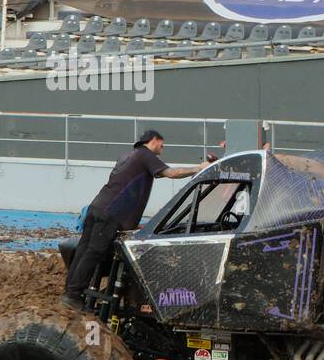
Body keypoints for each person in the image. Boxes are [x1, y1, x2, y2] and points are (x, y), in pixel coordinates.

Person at [62, 130, 212, 308]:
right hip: (111, 213)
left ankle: (69, 292)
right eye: (161, 143)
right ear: (154, 140)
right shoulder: (145, 155)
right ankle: (74, 295)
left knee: (83, 250)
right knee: (93, 253)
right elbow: (172, 173)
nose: (163, 147)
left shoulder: (128, 155)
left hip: (97, 207)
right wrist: (199, 168)